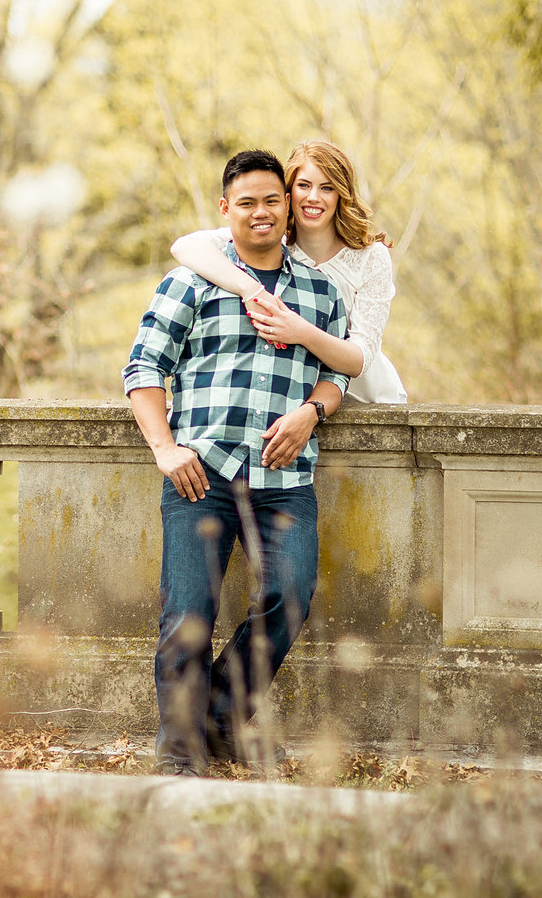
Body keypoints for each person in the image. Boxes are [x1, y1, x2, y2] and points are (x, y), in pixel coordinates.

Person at [123, 149, 349, 775]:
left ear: (286, 208)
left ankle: (219, 719)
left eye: (271, 200)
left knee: (291, 595)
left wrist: (312, 412)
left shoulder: (318, 293)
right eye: (246, 202)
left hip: (284, 481)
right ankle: (178, 756)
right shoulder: (191, 281)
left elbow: (337, 375)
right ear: (226, 210)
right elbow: (143, 368)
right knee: (187, 616)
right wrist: (166, 449)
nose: (261, 213)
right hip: (203, 477)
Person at [170, 139, 405, 404]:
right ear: (288, 193)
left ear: (341, 193)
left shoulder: (370, 257)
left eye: (327, 188)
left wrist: (300, 331)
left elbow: (359, 359)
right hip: (291, 400)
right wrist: (250, 288)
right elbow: (185, 246)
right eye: (304, 185)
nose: (313, 197)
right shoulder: (272, 242)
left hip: (365, 401)